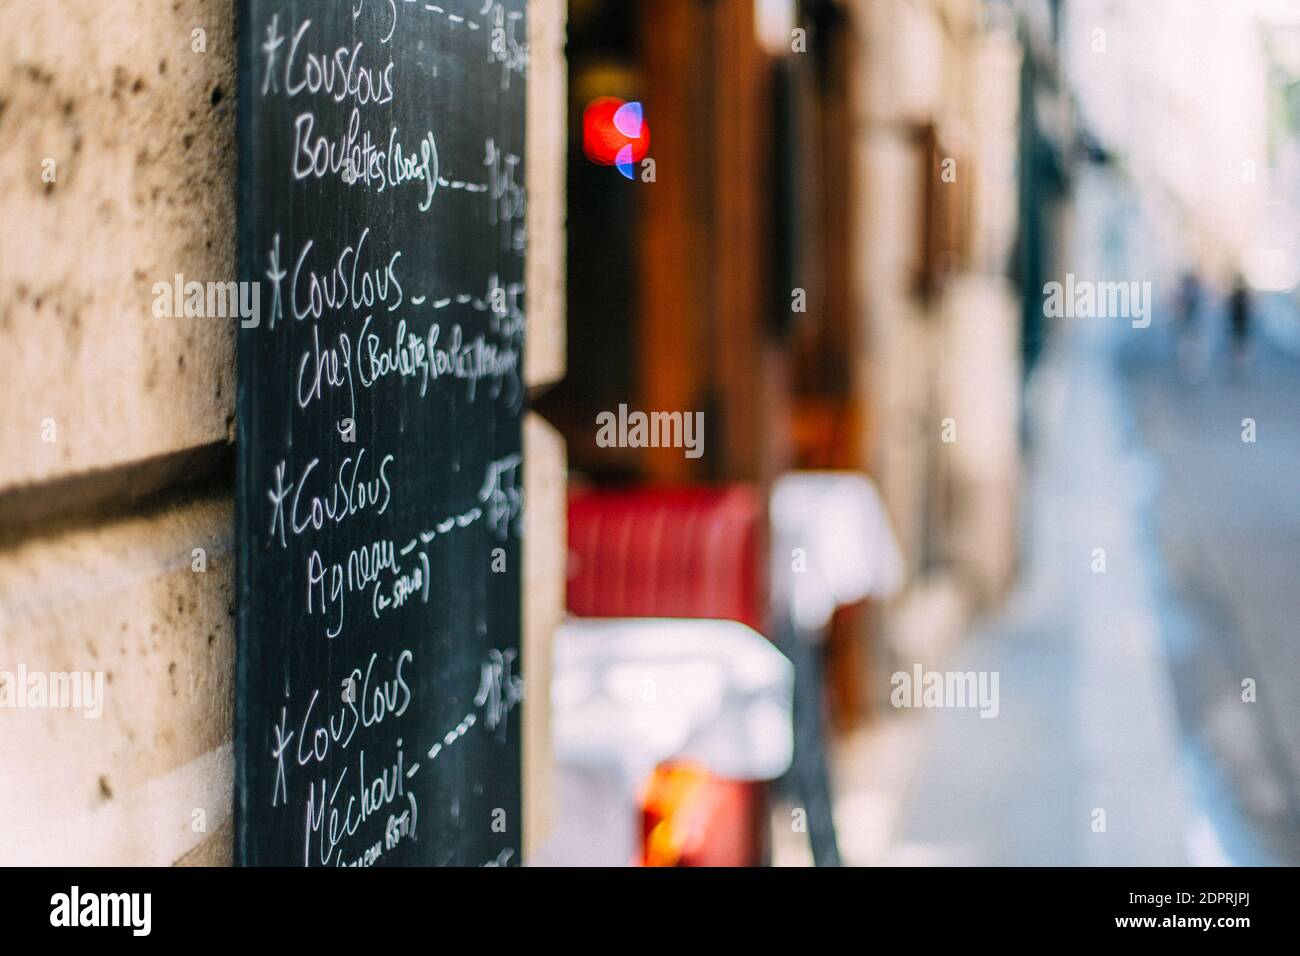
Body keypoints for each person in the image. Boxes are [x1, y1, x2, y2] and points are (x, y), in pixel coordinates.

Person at [1175, 269, 1204, 382]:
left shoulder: (1196, 295)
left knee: (1192, 348)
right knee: (1187, 348)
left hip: (1193, 327)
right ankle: (1189, 371)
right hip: (1188, 327)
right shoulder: (1186, 295)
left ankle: (1193, 371)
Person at [1228, 272, 1252, 377]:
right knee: (1240, 348)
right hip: (1239, 324)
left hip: (1240, 324)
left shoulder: (1239, 295)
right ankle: (1240, 369)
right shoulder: (1240, 295)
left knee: (1240, 348)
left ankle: (1240, 369)